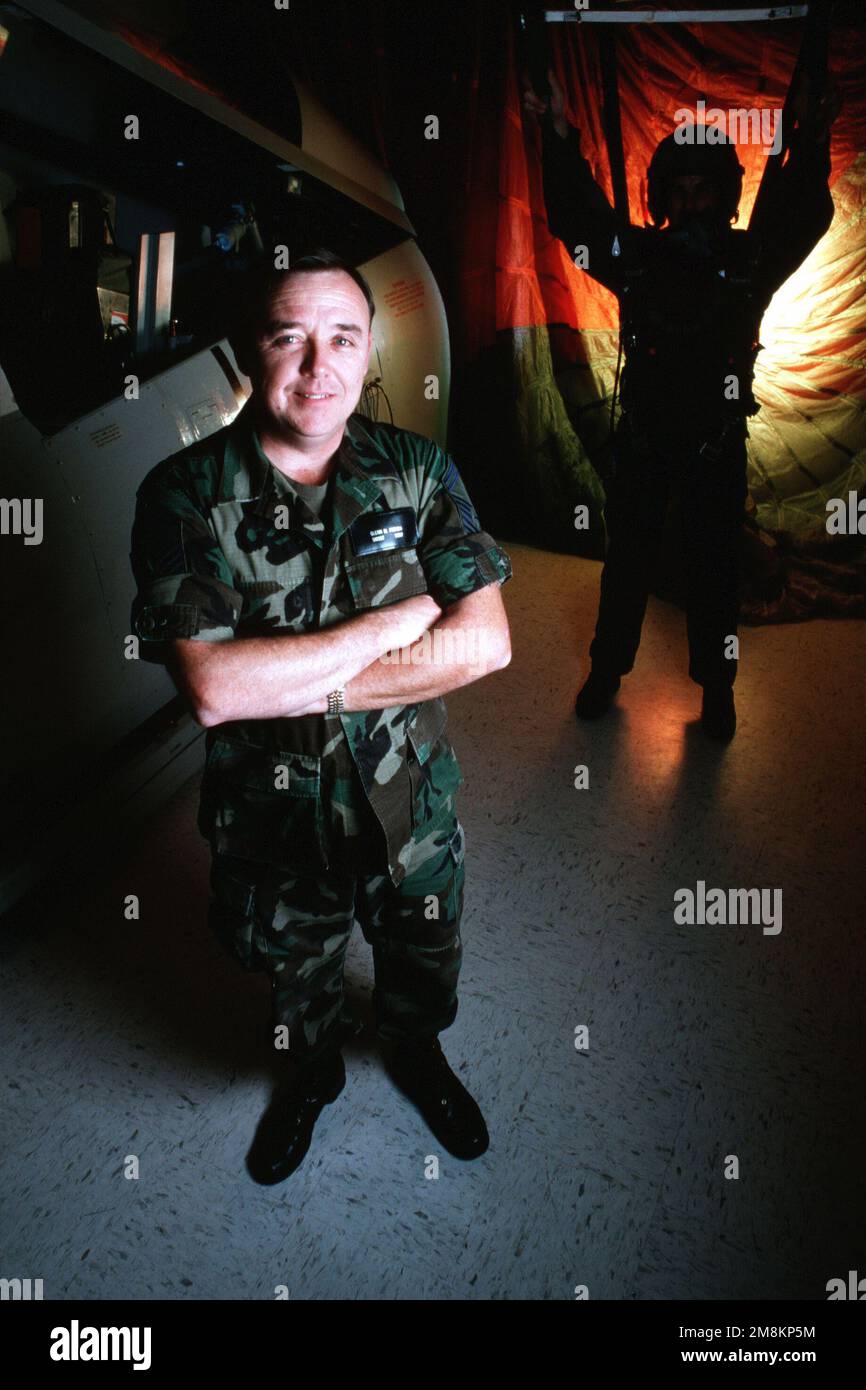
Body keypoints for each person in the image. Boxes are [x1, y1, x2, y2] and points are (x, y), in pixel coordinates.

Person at [129, 249, 512, 1182]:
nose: (317, 367)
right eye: (287, 339)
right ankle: (310, 1077)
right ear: (247, 354)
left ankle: (416, 1054)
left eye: (341, 338)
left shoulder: (416, 471)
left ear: (371, 349)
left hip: (408, 804)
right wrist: (395, 623)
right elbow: (214, 691)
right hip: (274, 819)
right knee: (296, 979)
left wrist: (298, 680)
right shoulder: (184, 496)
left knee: (423, 953)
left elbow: (486, 645)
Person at [524, 68, 841, 739]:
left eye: (704, 191)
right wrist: (557, 132)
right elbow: (577, 218)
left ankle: (718, 688)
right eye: (681, 190)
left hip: (716, 444)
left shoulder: (748, 260)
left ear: (723, 195)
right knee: (627, 564)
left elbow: (803, 213)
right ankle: (608, 671)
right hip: (644, 440)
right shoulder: (639, 258)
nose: (692, 204)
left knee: (715, 569)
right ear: (665, 197)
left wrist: (812, 136)